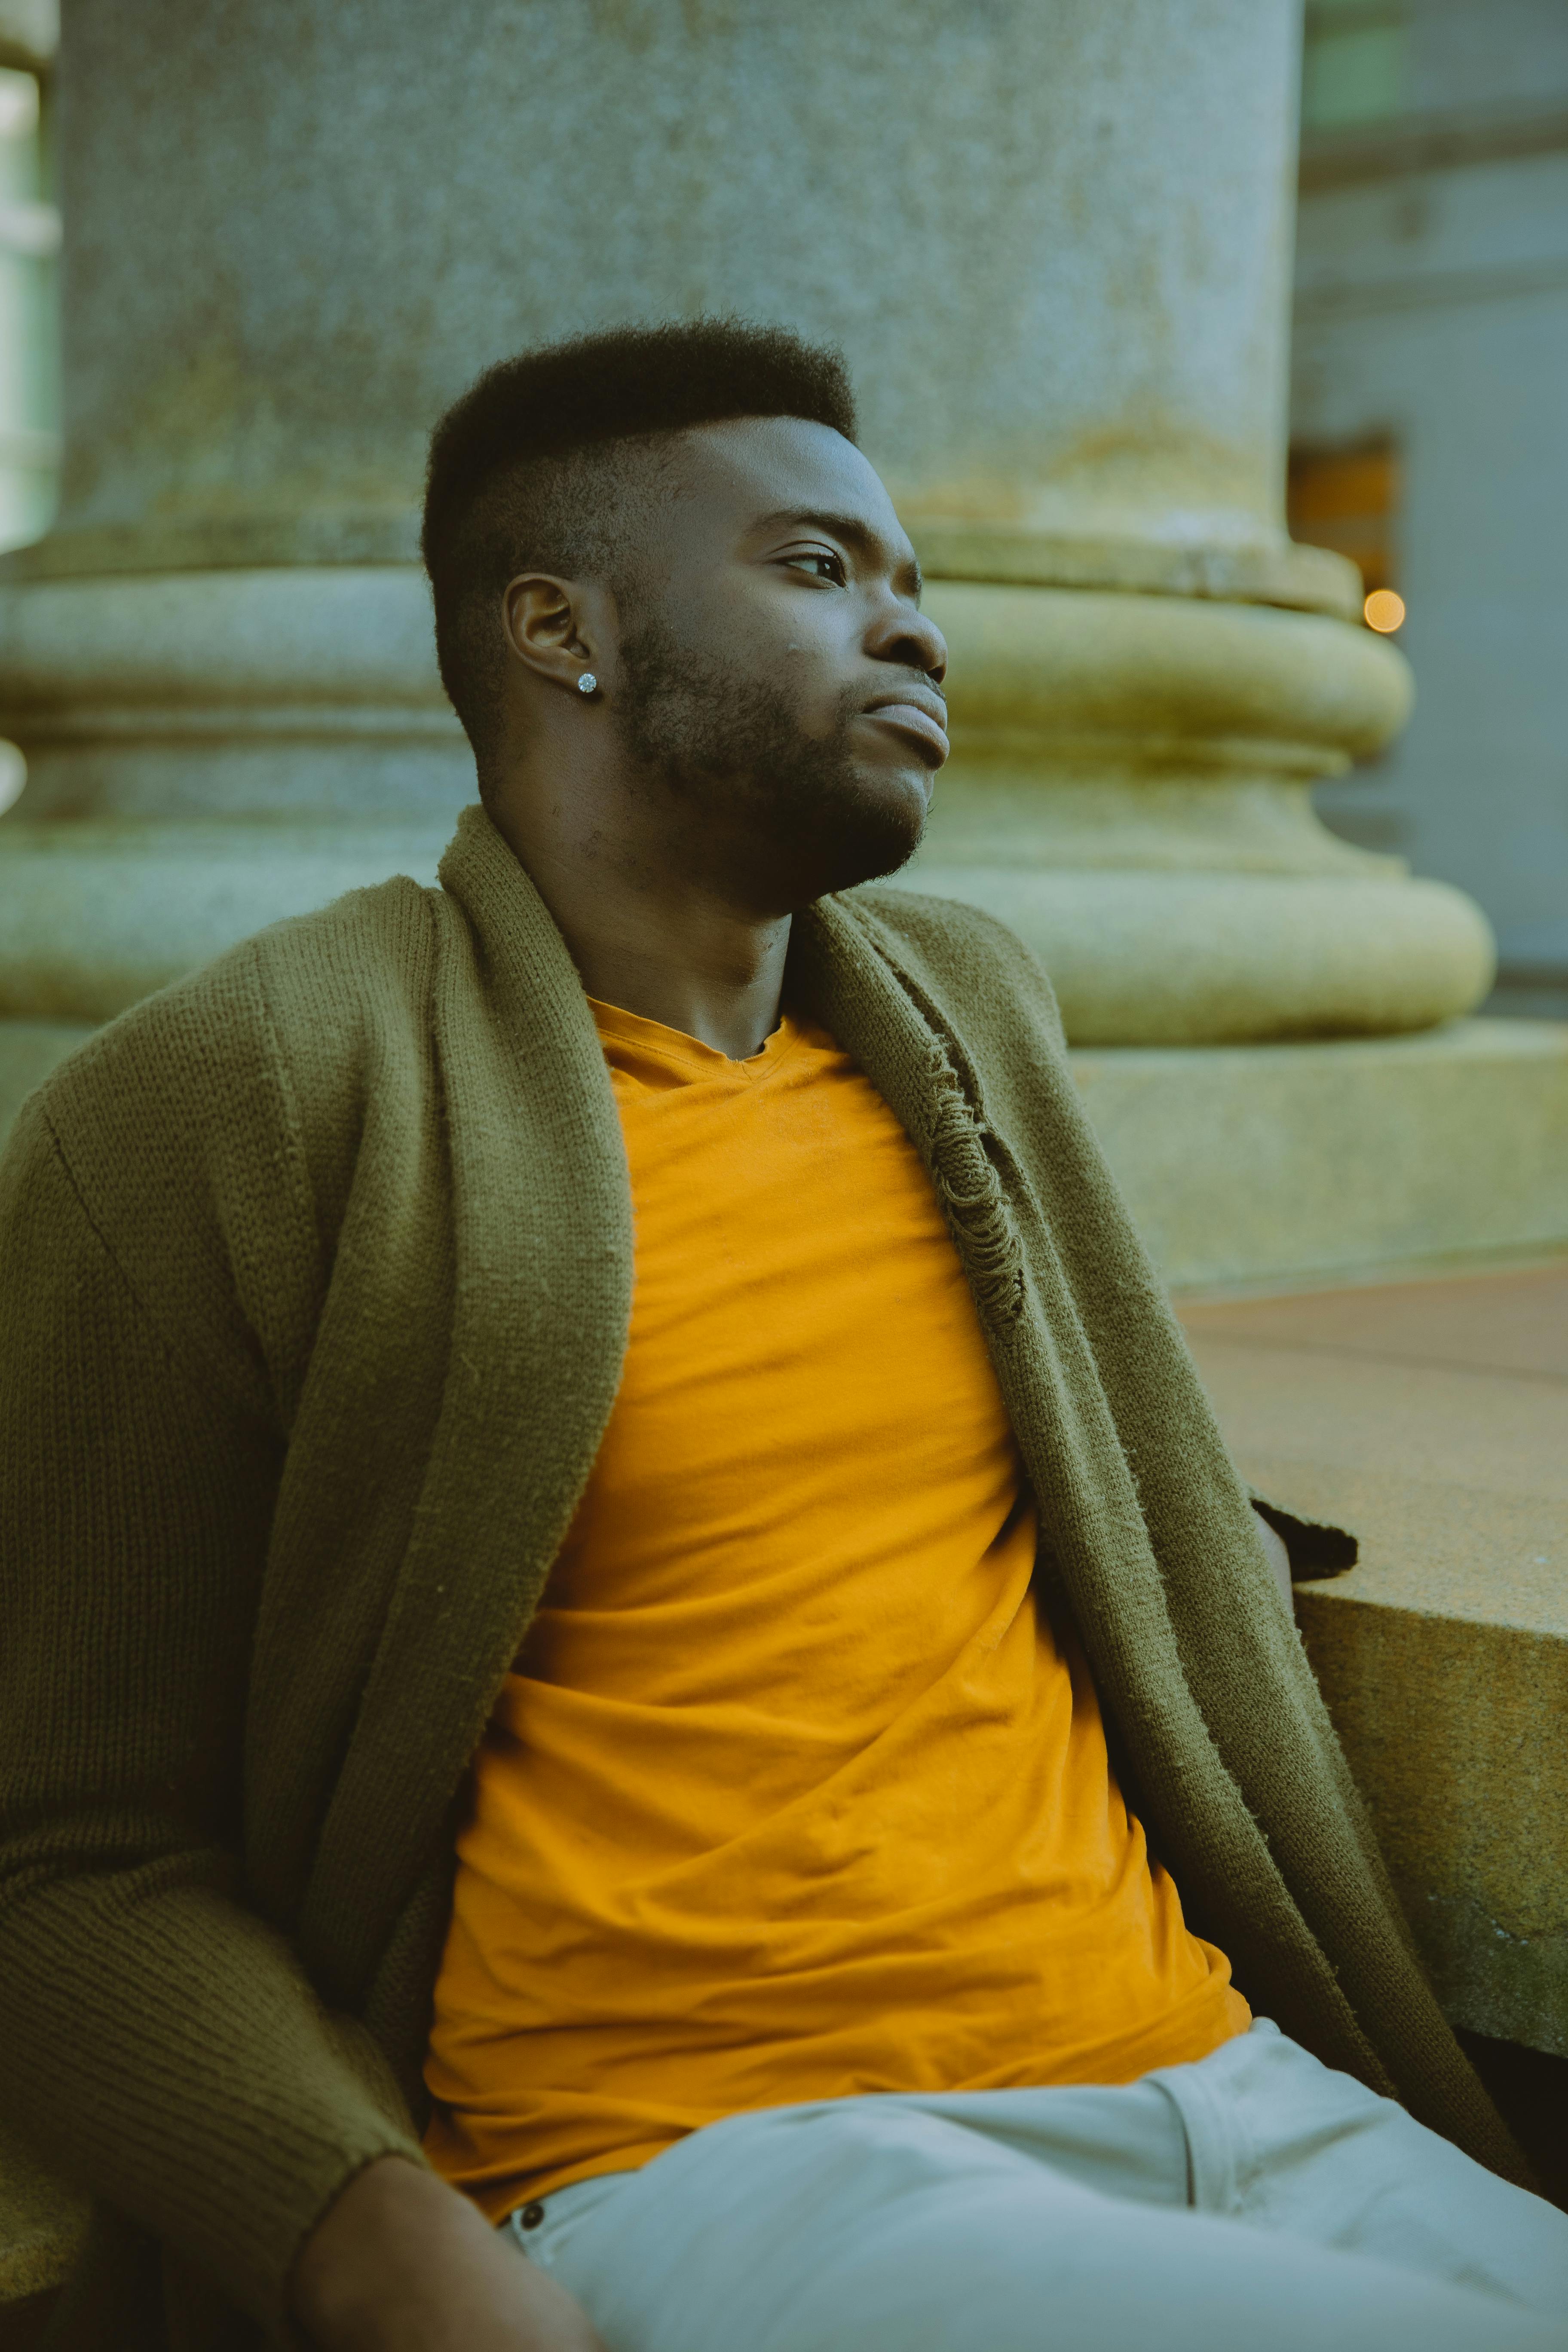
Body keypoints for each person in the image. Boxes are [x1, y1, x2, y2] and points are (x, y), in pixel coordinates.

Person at [0, 321, 1563, 2352]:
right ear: (560, 627)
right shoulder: (246, 1094)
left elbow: (1068, 1481)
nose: (915, 634)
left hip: (1233, 2091)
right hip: (740, 2167)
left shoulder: (963, 1022)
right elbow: (65, 1850)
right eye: (822, 572)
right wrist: (380, 2248)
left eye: (914, 586)